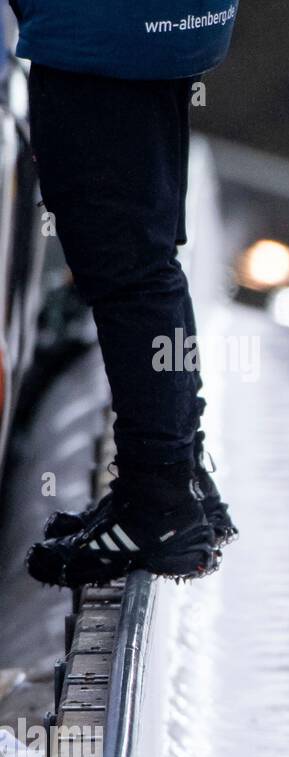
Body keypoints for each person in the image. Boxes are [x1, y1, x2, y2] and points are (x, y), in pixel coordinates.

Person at [12, 0, 240, 587]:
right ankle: (178, 475)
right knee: (146, 261)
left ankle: (161, 502)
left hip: (100, 30)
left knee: (128, 268)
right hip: (151, 25)